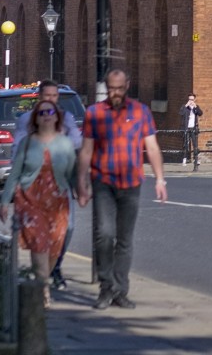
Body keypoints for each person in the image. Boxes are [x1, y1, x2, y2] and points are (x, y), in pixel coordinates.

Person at [77, 69, 167, 310]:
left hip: (131, 183)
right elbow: (86, 150)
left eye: (119, 88)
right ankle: (105, 288)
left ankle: (120, 290)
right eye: (111, 88)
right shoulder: (94, 113)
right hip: (103, 182)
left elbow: (152, 147)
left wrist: (160, 179)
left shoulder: (140, 112)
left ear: (127, 85)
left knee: (125, 240)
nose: (115, 93)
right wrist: (81, 183)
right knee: (105, 235)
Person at [0, 101, 77, 308]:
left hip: (58, 201)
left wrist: (82, 190)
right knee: (39, 243)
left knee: (54, 247)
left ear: (56, 116)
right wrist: (5, 201)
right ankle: (43, 291)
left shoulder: (64, 144)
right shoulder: (27, 143)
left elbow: (72, 173)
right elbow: (15, 173)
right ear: (36, 118)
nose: (46, 115)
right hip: (30, 198)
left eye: (50, 111)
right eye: (41, 113)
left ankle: (41, 280)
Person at [12, 81, 83, 289]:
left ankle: (55, 266)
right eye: (47, 95)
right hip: (34, 183)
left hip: (60, 181)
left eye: (54, 96)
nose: (50, 99)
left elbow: (77, 143)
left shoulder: (67, 119)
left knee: (67, 227)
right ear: (39, 97)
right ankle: (44, 277)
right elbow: (18, 149)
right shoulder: (26, 119)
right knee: (39, 230)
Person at [180, 94, 203, 164]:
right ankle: (184, 158)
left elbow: (200, 113)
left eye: (192, 100)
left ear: (194, 100)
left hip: (193, 128)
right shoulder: (185, 107)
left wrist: (195, 106)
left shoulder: (195, 107)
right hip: (186, 128)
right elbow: (181, 113)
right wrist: (186, 105)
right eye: (190, 99)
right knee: (186, 144)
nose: (191, 101)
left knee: (195, 144)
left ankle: (195, 159)